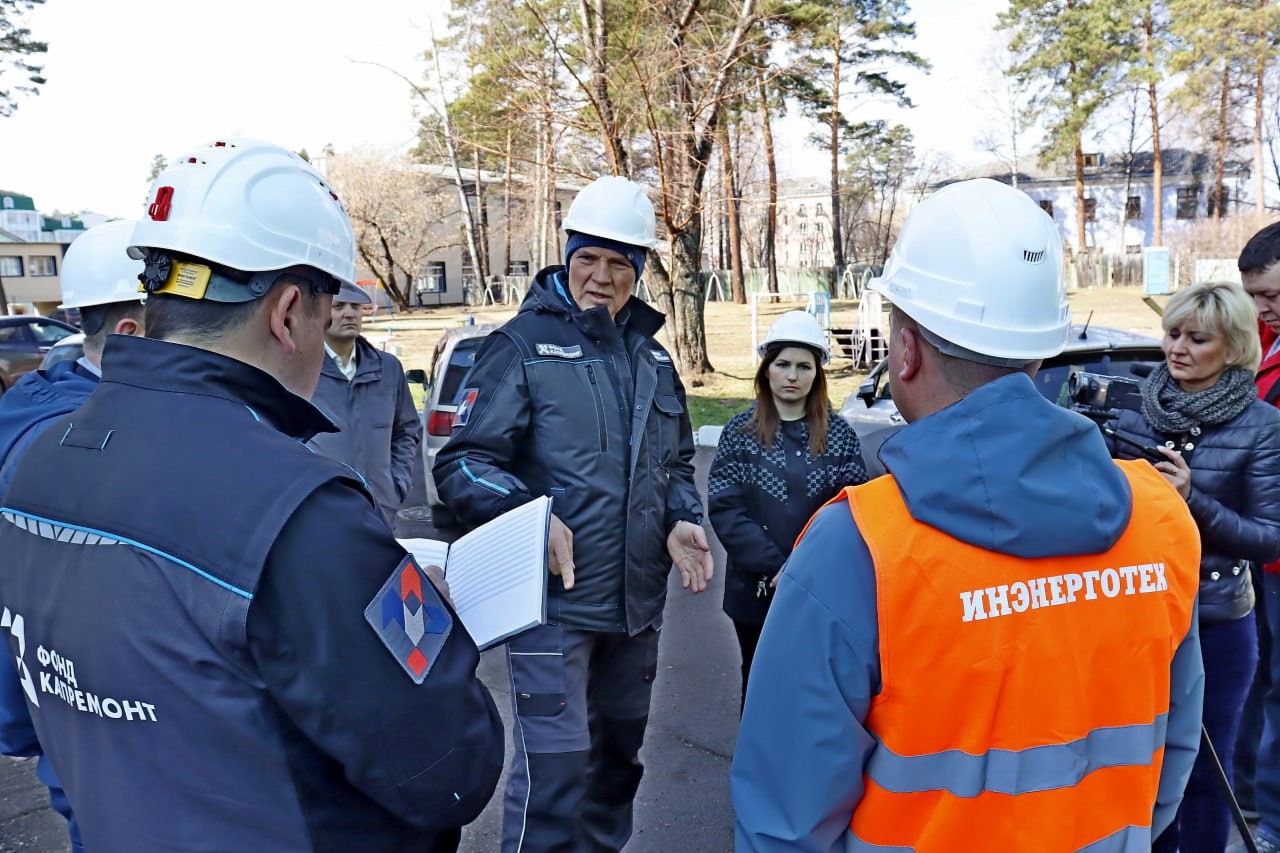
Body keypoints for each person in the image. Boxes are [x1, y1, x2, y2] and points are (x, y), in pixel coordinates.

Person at [0, 138, 503, 851]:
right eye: (327, 314)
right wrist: (434, 623)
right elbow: (451, 765)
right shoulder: (298, 509)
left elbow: (30, 712)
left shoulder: (35, 466)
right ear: (290, 309)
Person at [730, 178, 1204, 852]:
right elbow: (1169, 758)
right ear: (1040, 350)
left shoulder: (859, 547)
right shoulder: (1161, 519)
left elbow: (784, 822)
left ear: (905, 349)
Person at [433, 174, 712, 852]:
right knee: (554, 777)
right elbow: (461, 463)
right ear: (567, 256)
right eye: (588, 257)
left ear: (638, 272)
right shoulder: (520, 347)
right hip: (552, 611)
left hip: (636, 609)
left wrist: (679, 514)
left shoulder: (653, 359)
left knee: (616, 770)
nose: (601, 275)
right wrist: (531, 514)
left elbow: (675, 463)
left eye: (620, 262)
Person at [1113, 280, 1280, 852]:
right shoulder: (1134, 407)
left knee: (1206, 777)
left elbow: (1268, 539)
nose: (1176, 347)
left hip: (1215, 622)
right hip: (1133, 617)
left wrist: (1192, 499)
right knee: (1143, 768)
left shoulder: (1262, 425)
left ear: (1233, 348)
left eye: (1197, 338)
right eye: (1172, 333)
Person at [0, 218, 147, 851]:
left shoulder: (32, 416)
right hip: (129, 752)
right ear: (131, 332)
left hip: (66, 732)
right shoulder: (96, 446)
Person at [707, 310, 866, 709]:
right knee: (761, 686)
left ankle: (806, 770)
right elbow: (726, 507)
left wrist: (806, 567)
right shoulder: (740, 432)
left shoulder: (840, 434)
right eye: (782, 364)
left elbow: (852, 506)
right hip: (756, 590)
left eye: (803, 366)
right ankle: (756, 770)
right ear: (766, 370)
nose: (792, 375)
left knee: (815, 691)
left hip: (819, 588)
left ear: (817, 373)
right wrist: (774, 565)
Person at [1236, 222, 1280, 839]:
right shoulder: (1259, 343)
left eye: (1272, 294)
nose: (1263, 309)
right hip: (1257, 552)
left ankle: (1271, 820)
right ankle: (1244, 795)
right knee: (1253, 678)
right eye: (1255, 297)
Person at [308, 296, 422, 527]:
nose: (349, 314)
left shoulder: (388, 368)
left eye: (356, 306)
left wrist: (396, 485)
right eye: (339, 307)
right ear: (321, 313)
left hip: (380, 512)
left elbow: (406, 430)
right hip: (319, 514)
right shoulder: (301, 368)